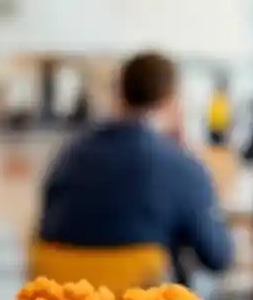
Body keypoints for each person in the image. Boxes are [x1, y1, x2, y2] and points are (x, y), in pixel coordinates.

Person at [38, 52, 234, 286]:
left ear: (120, 94)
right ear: (173, 102)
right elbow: (217, 256)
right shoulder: (180, 165)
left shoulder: (70, 154)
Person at [206, 79, 232, 146]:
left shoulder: (225, 100)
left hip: (222, 130)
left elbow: (228, 116)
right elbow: (210, 114)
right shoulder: (214, 99)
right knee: (214, 146)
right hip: (213, 128)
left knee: (221, 146)